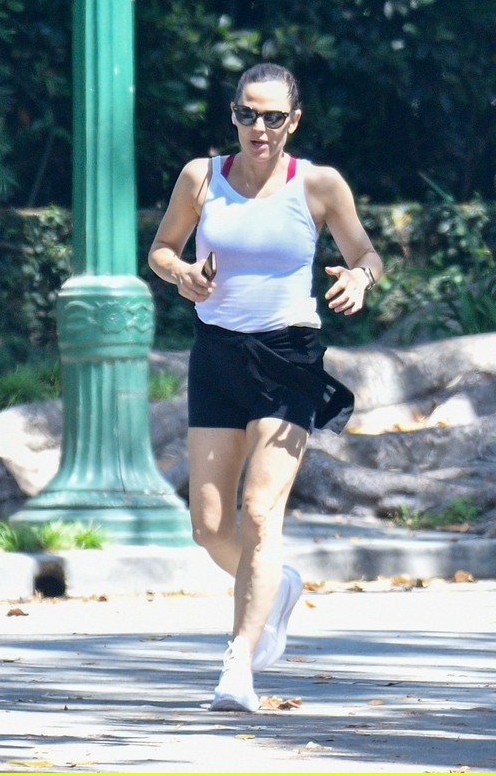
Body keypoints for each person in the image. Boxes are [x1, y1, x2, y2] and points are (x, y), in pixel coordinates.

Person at [148, 62, 382, 712]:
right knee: (208, 525)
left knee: (259, 511)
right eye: (247, 113)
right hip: (217, 355)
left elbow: (366, 253)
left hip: (288, 357)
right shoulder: (201, 178)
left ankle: (238, 663)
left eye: (272, 116)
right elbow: (162, 249)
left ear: (293, 121)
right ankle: (276, 585)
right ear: (233, 114)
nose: (258, 127)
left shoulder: (318, 184)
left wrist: (360, 278)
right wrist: (180, 272)